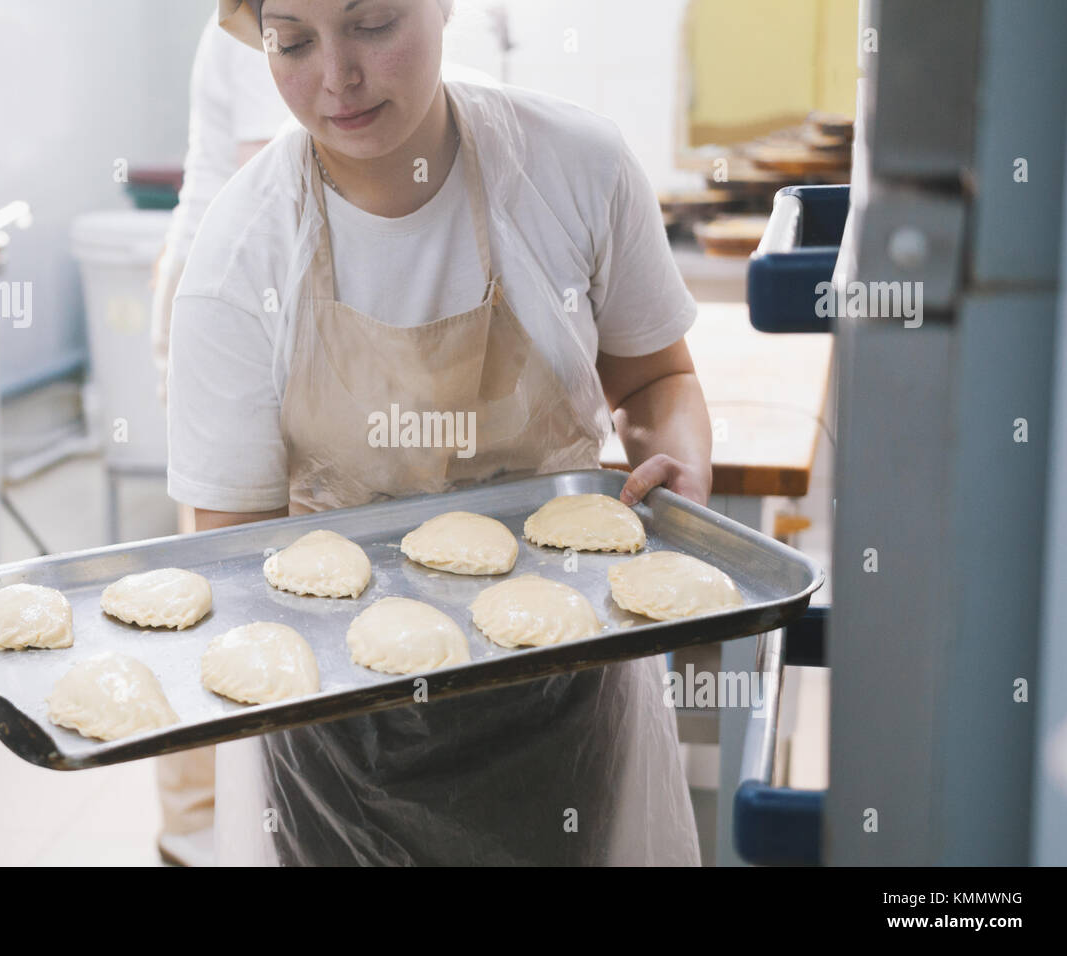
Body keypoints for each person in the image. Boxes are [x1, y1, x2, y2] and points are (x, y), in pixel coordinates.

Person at [167, 0, 711, 865]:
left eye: (373, 23)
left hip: (566, 699)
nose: (338, 77)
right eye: (294, 41)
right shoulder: (240, 261)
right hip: (339, 751)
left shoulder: (576, 167)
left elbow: (654, 377)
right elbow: (233, 563)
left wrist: (672, 458)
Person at [151, 11, 291, 868]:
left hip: (250, 290)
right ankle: (194, 827)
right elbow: (262, 171)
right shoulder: (263, 21)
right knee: (212, 585)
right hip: (223, 294)